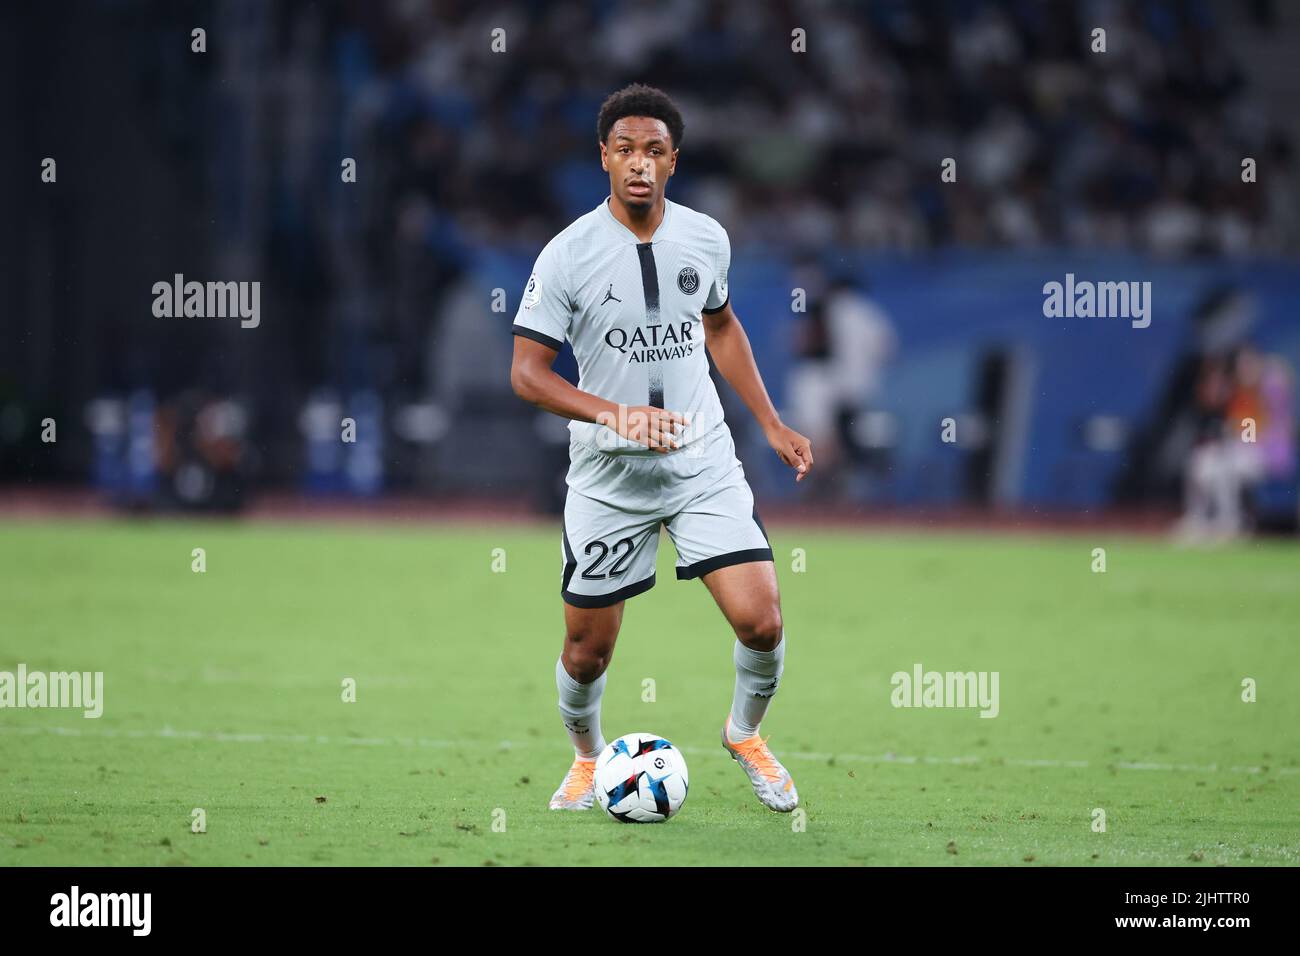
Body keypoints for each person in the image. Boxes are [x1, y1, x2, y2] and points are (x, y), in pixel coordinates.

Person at [509, 84, 813, 813]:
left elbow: (722, 327)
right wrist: (614, 415)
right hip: (609, 478)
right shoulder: (567, 255)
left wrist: (769, 422)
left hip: (701, 464)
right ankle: (587, 759)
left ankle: (745, 734)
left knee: (762, 620)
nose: (638, 164)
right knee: (587, 651)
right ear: (604, 159)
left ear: (673, 161)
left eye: (653, 151)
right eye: (625, 150)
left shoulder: (707, 237)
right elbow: (527, 374)